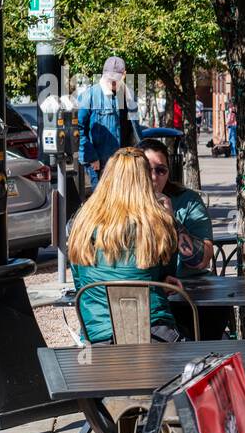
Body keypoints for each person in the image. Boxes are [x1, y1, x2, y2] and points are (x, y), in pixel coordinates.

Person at [66, 147, 183, 344]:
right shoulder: (157, 222)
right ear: (145, 179)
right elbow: (167, 273)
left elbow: (79, 282)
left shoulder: (81, 221)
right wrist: (170, 219)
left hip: (97, 337)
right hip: (153, 332)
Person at [139, 138, 229, 339]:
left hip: (186, 289)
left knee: (215, 313)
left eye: (161, 170)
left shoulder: (187, 201)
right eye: (147, 169)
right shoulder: (122, 205)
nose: (154, 177)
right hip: (144, 293)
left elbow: (202, 260)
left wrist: (171, 221)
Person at [78, 55, 138, 186]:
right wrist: (91, 158)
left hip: (124, 161)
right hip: (99, 162)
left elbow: (134, 129)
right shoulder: (89, 95)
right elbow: (79, 129)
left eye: (116, 79)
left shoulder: (129, 94)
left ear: (124, 75)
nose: (112, 82)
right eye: (109, 79)